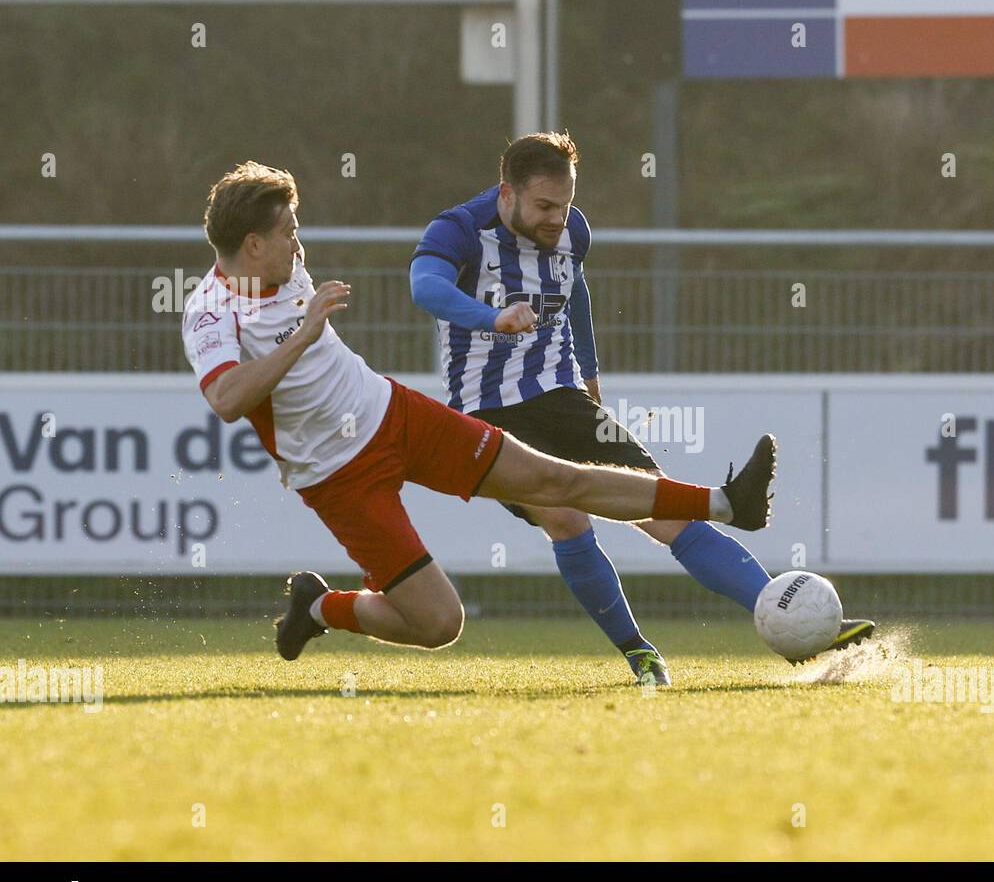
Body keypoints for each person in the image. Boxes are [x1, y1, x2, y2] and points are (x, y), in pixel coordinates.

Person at [181, 161, 777, 664]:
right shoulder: (209, 311)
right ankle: (320, 607)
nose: (298, 242)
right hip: (337, 476)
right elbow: (228, 400)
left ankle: (726, 501)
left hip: (396, 415)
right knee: (440, 624)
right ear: (252, 245)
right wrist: (304, 334)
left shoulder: (285, 265)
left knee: (555, 480)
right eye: (287, 232)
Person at [410, 132, 875, 686]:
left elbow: (575, 291)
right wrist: (492, 319)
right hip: (488, 412)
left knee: (662, 505)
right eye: (543, 206)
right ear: (506, 193)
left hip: (563, 399)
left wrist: (589, 370)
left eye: (565, 204)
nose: (558, 218)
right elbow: (424, 287)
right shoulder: (459, 229)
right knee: (566, 517)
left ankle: (796, 625)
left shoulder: (571, 231)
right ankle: (639, 653)